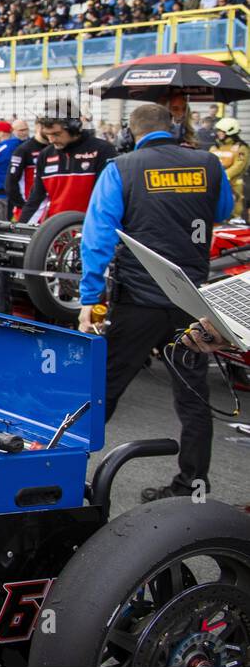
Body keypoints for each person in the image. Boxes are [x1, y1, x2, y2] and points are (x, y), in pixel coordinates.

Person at [78, 103, 233, 503]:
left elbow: (97, 238)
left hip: (138, 301)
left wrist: (89, 299)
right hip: (192, 303)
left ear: (131, 133)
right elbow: (224, 210)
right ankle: (192, 488)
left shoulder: (123, 167)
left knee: (103, 391)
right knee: (194, 398)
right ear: (175, 127)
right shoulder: (210, 164)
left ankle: (63, 475)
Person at [18, 95, 116, 225]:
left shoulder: (103, 150)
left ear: (75, 127)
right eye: (47, 135)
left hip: (91, 230)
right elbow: (36, 200)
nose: (51, 140)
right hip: (57, 232)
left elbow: (108, 199)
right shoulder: (45, 155)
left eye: (56, 134)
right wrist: (22, 229)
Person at [6, 117, 47, 221]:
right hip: (29, 207)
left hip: (48, 206)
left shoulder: (53, 148)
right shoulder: (23, 150)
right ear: (38, 127)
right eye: (48, 127)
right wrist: (22, 205)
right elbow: (10, 182)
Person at [210, 117, 248, 219]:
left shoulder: (241, 148)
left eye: (221, 131)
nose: (218, 133)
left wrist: (223, 176)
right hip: (216, 183)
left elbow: (239, 166)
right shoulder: (214, 147)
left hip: (234, 185)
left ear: (230, 132)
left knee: (235, 207)